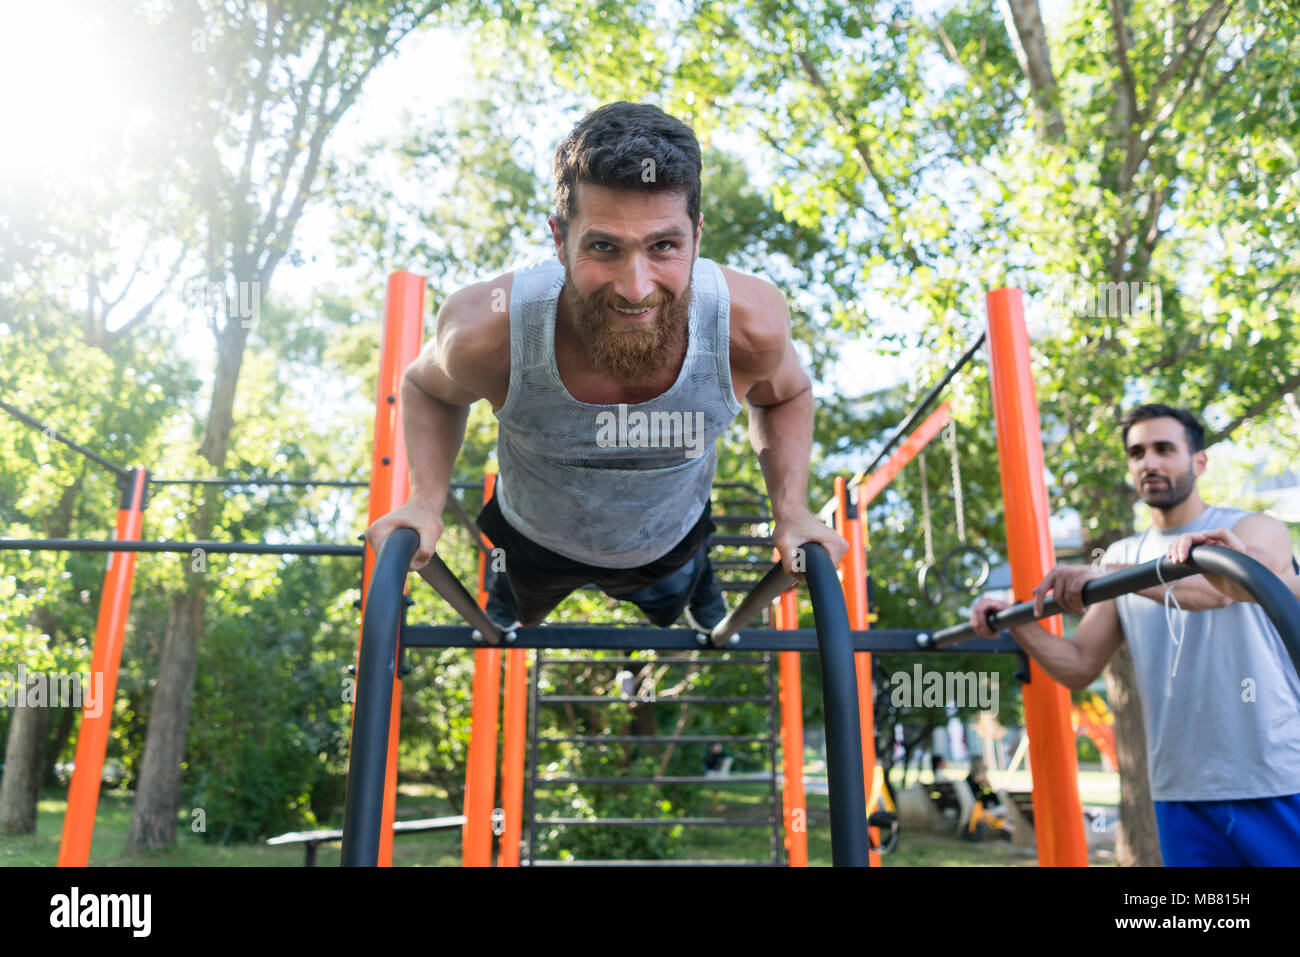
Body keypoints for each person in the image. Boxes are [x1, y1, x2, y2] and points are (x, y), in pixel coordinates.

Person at [365, 101, 846, 636]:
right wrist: (425, 501)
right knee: (512, 605)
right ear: (559, 241)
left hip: (665, 539)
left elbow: (785, 395)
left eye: (664, 245)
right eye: (603, 247)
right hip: (531, 537)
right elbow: (427, 389)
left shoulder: (748, 324)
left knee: (680, 593)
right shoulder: (488, 330)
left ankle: (699, 588)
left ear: (697, 236)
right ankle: (511, 601)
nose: (635, 287)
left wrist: (793, 511)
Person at [970, 403, 1300, 866]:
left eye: (1165, 449)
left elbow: (1224, 588)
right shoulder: (1125, 556)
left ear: (1199, 461)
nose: (1150, 462)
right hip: (1180, 787)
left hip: (1279, 777)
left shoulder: (1252, 527)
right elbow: (1080, 665)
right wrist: (1017, 624)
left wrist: (1106, 574)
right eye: (1137, 452)